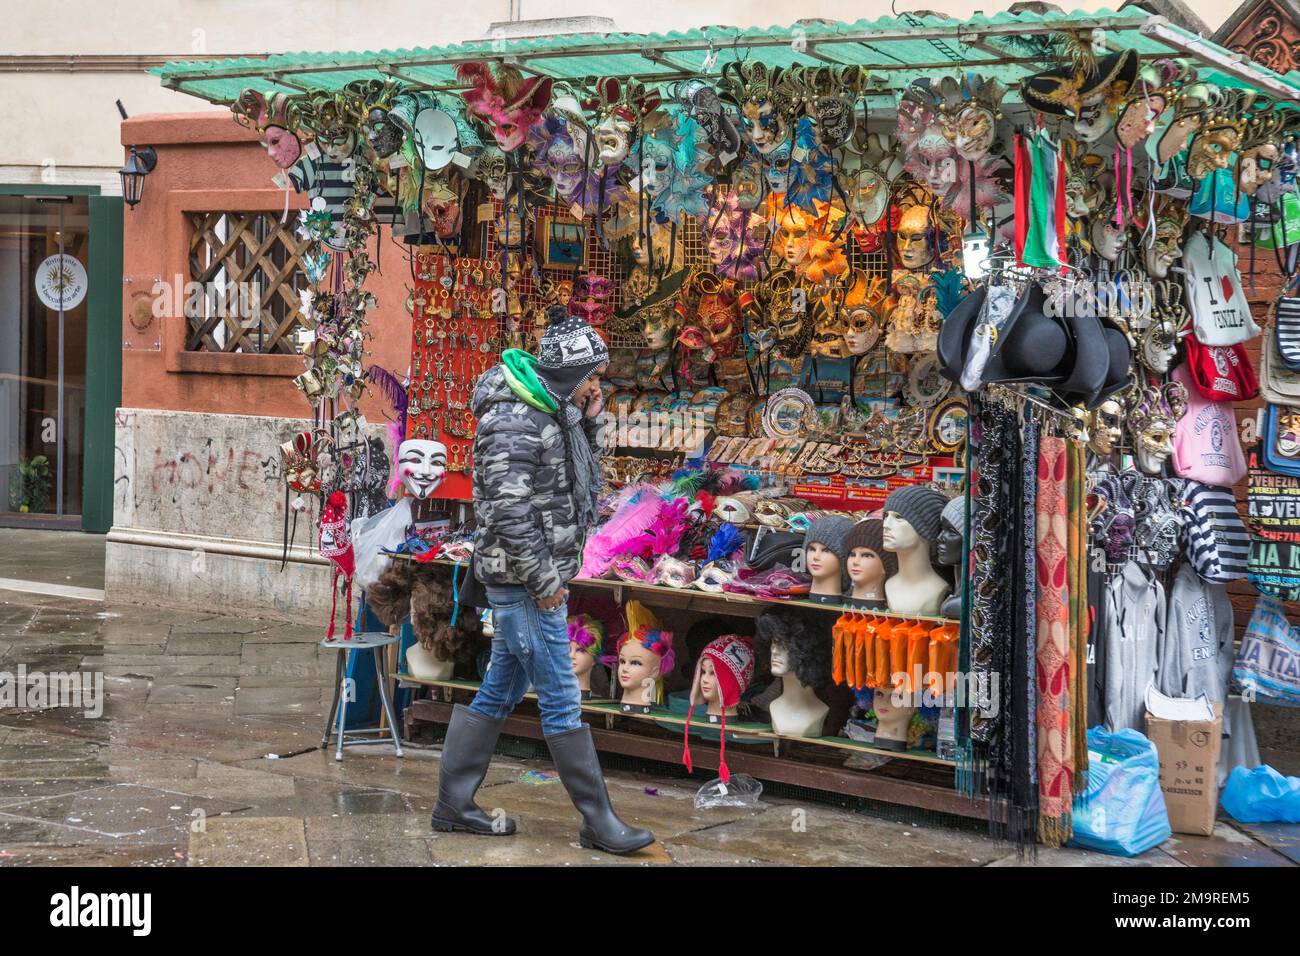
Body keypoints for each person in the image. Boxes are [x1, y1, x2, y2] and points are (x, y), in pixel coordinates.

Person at [431, 307, 655, 856]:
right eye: (593, 378)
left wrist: (593, 417)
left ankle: (453, 804)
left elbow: (573, 475)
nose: (597, 386)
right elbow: (508, 513)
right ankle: (598, 819)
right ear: (568, 376)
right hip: (527, 584)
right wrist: (544, 581)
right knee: (560, 699)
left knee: (499, 689)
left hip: (538, 577)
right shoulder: (513, 419)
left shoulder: (552, 409)